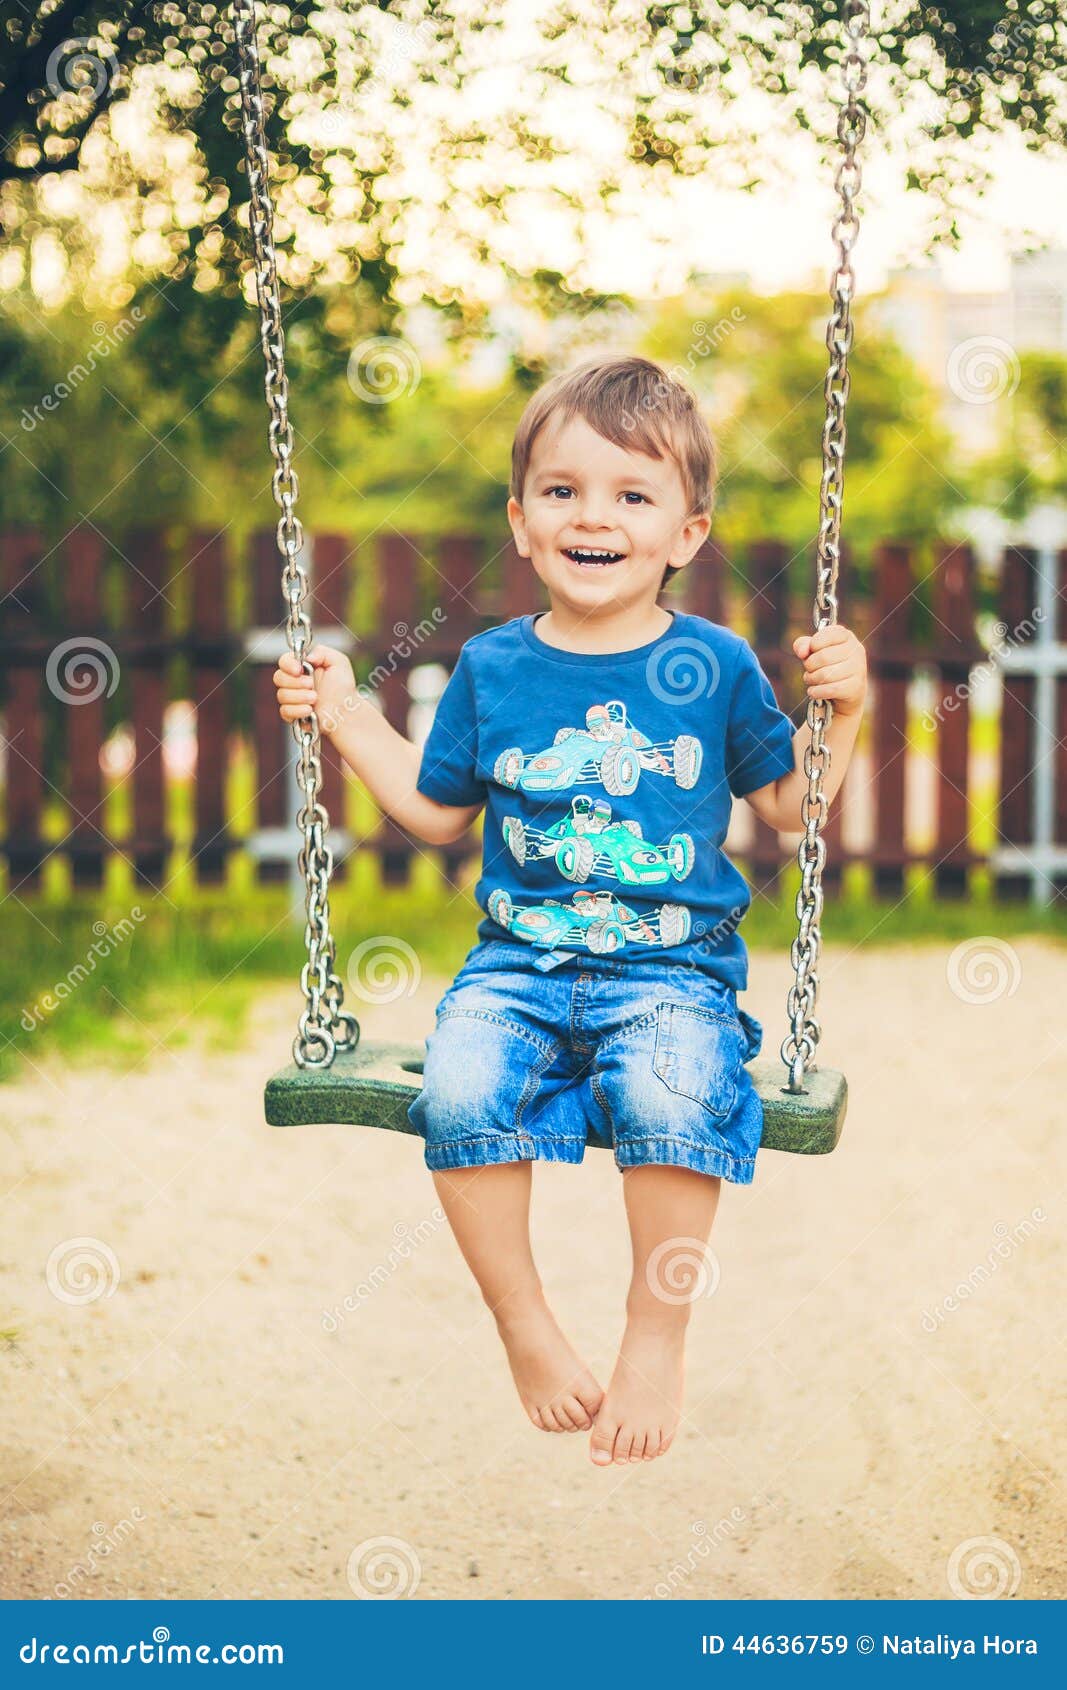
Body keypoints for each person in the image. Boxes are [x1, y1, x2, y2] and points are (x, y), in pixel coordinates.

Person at [273, 355, 867, 1467]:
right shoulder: (492, 668)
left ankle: (655, 1335)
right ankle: (524, 1324)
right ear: (520, 520)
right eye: (563, 491)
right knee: (455, 1091)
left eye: (631, 496)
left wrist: (846, 706)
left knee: (673, 1089)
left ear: (684, 534)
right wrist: (346, 715)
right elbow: (436, 811)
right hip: (517, 965)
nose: (593, 517)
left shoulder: (715, 662)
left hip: (672, 967)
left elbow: (794, 803)